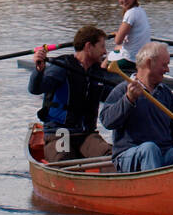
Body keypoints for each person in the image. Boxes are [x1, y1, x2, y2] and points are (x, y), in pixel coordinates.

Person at [100, 42, 173, 173]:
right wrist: (129, 99)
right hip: (129, 154)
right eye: (164, 65)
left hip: (164, 154)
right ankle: (155, 190)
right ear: (149, 63)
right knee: (150, 149)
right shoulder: (122, 90)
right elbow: (107, 121)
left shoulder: (165, 93)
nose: (168, 70)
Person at [29, 25, 116, 162]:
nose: (105, 52)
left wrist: (133, 92)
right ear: (88, 47)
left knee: (111, 156)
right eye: (102, 46)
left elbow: (112, 95)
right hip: (59, 132)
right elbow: (35, 89)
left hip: (86, 134)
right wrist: (38, 70)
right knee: (65, 159)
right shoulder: (61, 67)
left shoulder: (96, 72)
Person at [111, 0, 152, 75]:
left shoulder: (130, 14)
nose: (124, 0)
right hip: (143, 57)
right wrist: (120, 34)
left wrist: (118, 35)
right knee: (117, 48)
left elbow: (118, 40)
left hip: (131, 60)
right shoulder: (140, 10)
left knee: (105, 61)